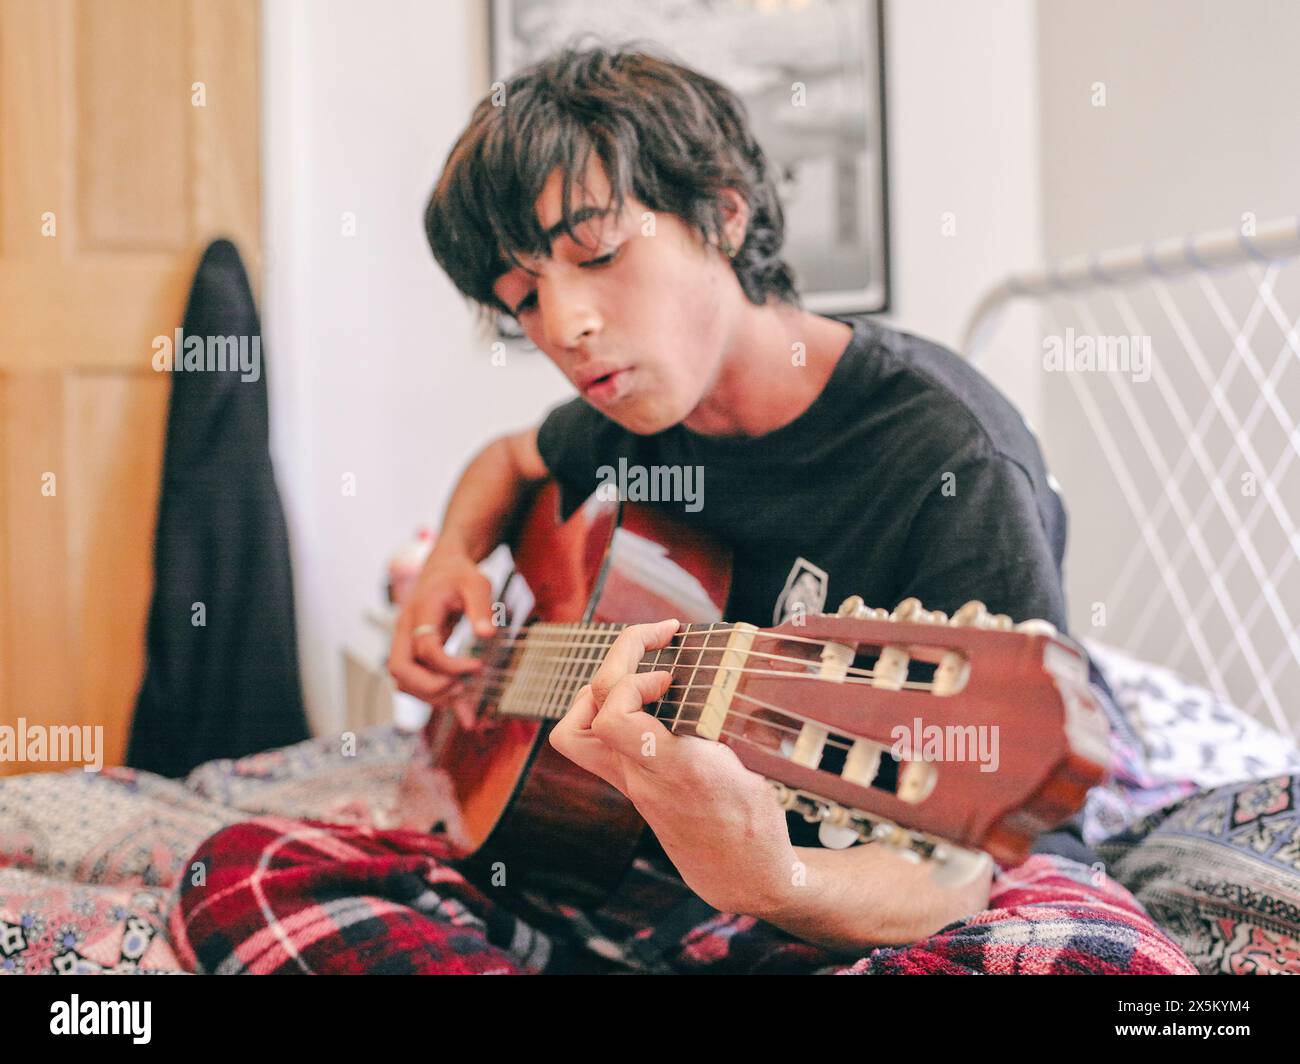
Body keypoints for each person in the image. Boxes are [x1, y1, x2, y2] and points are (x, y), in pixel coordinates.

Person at [388, 44, 1094, 954]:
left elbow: (984, 861)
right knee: (247, 869)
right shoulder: (631, 409)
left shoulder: (951, 460)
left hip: (845, 870)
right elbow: (507, 460)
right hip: (635, 852)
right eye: (523, 298)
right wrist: (450, 559)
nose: (562, 328)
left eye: (597, 254)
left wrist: (771, 881)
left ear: (722, 214)